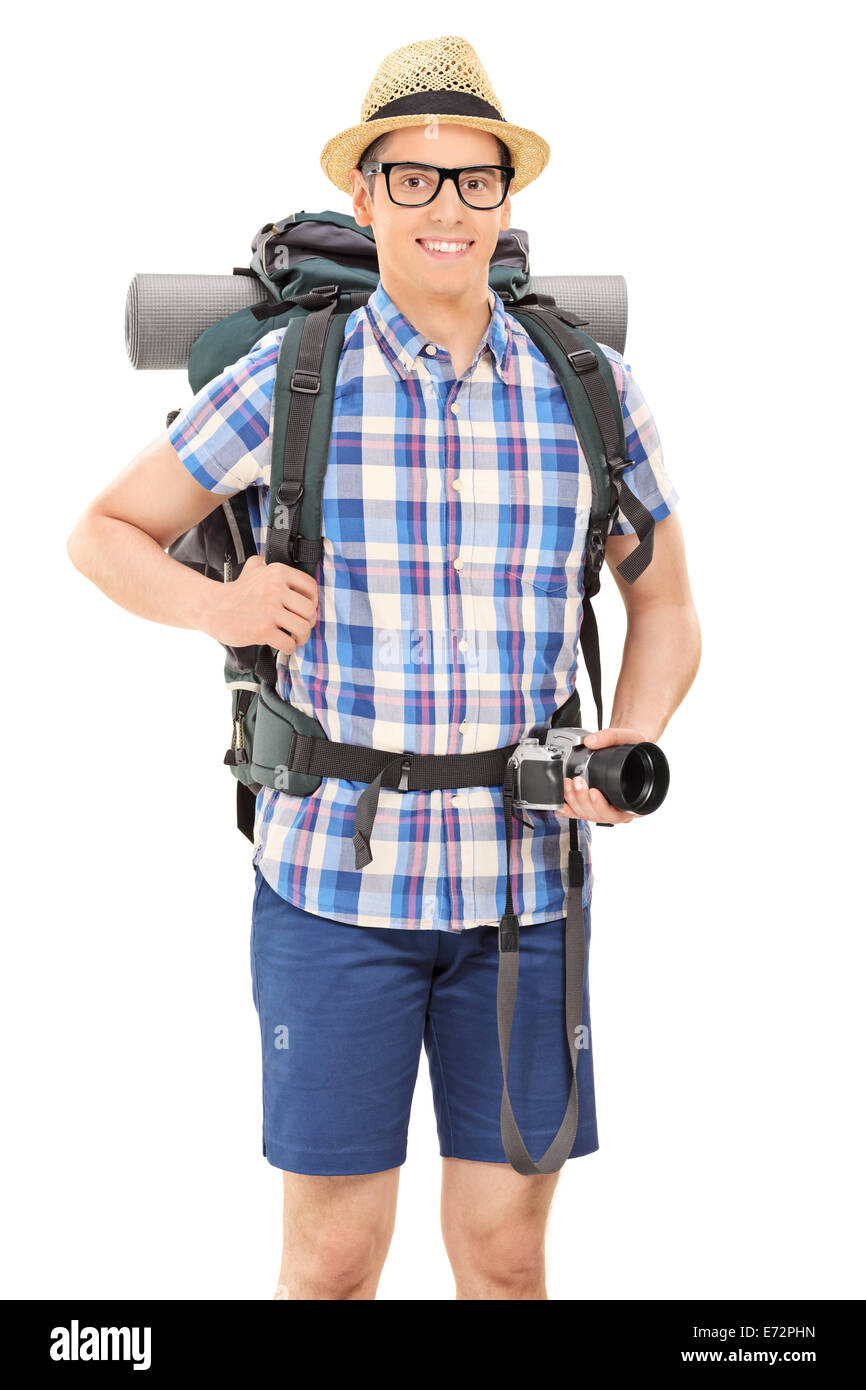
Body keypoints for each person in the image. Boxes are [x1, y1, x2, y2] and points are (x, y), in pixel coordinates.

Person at [67, 35, 701, 1300]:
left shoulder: (589, 389)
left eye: (473, 181)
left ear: (506, 200)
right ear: (365, 195)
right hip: (327, 889)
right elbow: (100, 534)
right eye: (412, 180)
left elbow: (667, 603)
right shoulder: (292, 377)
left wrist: (620, 744)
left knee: (507, 1260)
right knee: (332, 1263)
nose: (445, 208)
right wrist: (220, 602)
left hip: (524, 893)